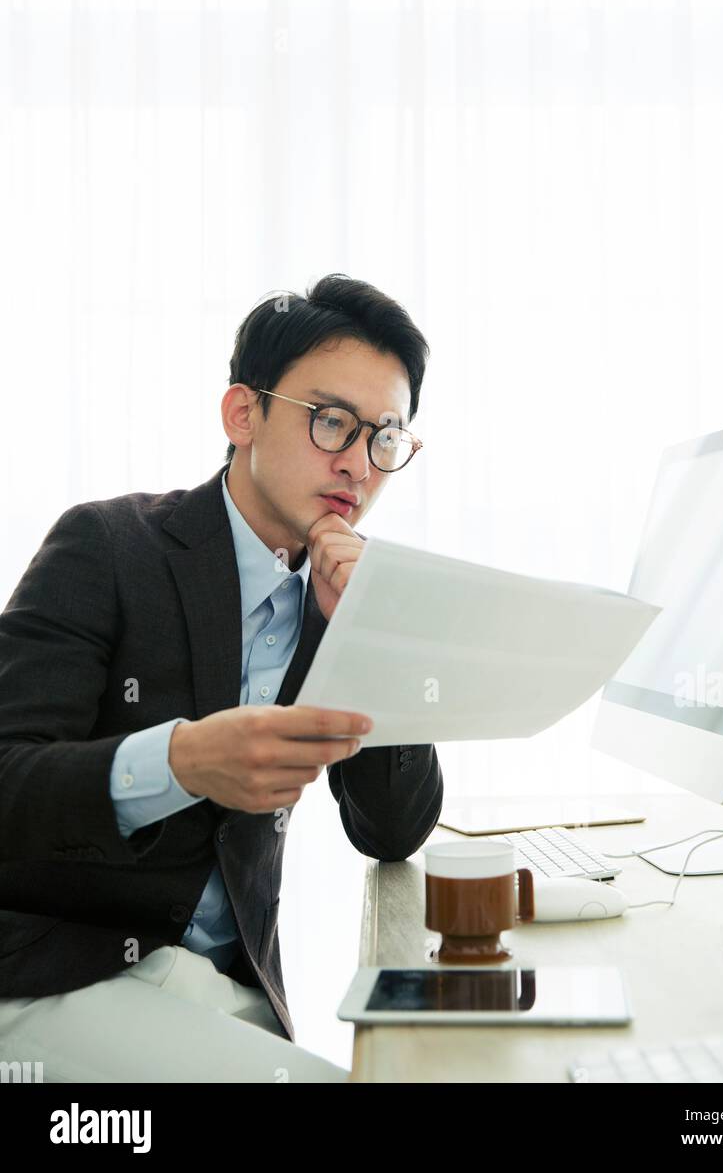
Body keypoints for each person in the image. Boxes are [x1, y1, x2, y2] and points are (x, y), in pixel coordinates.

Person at [0, 274, 443, 1083]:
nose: (358, 465)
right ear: (244, 413)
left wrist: (375, 640)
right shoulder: (108, 546)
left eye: (384, 438)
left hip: (226, 997)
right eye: (332, 421)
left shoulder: (338, 592)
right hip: (54, 972)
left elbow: (392, 833)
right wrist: (177, 762)